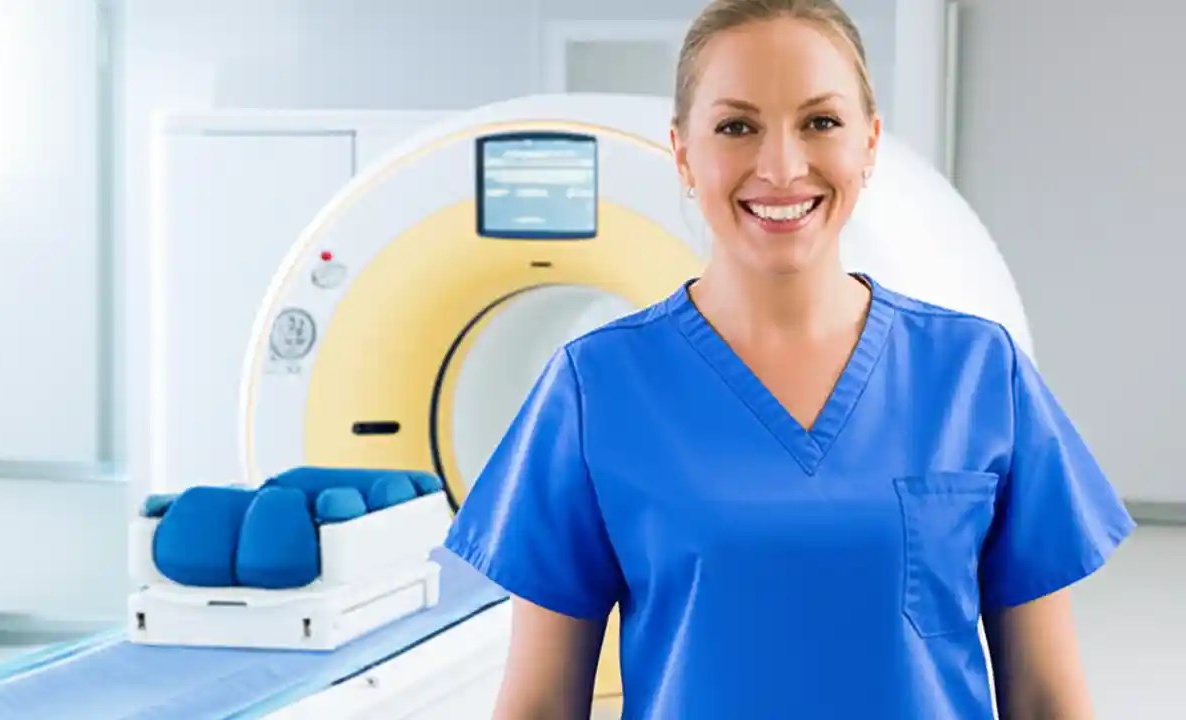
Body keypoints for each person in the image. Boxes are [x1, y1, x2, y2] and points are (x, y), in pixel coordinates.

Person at [443, 0, 1136, 717]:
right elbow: (540, 704)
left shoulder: (977, 373)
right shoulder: (596, 389)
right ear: (682, 153)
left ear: (870, 144)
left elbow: (1047, 698)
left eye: (821, 122)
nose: (781, 166)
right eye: (736, 127)